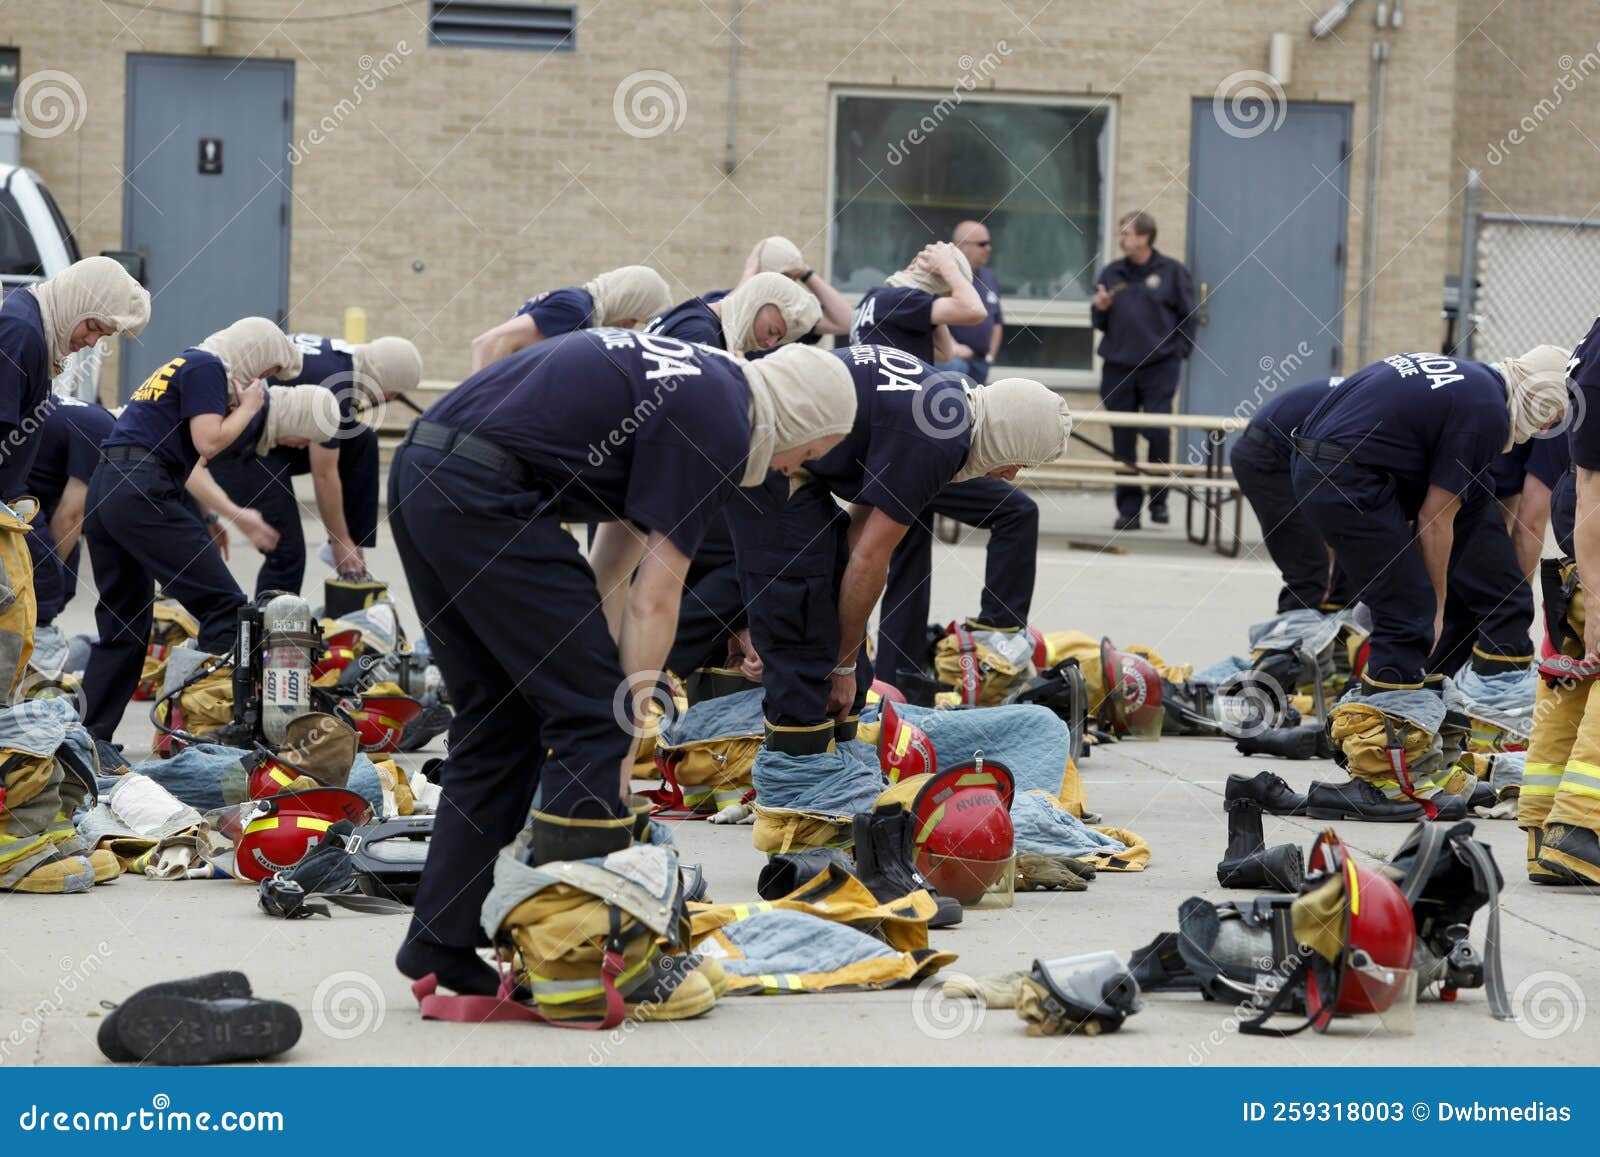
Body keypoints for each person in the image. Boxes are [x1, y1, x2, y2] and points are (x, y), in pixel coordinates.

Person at [387, 328, 855, 996]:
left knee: (500, 721)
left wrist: (594, 684)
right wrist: (619, 715)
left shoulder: (703, 384)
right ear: (803, 415)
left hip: (425, 475)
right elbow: (654, 600)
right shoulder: (723, 422)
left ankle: (438, 940)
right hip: (486, 497)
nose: (795, 470)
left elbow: (613, 561)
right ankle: (572, 953)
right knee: (593, 717)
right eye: (813, 452)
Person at [740, 350, 1070, 751]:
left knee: (839, 643)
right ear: (1008, 432)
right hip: (761, 444)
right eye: (1019, 459)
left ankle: (828, 749)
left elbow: (857, 539)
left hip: (782, 440)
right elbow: (869, 559)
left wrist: (849, 657)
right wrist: (840, 662)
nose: (1010, 475)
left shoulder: (951, 403)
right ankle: (793, 780)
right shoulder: (939, 441)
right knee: (802, 621)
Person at [1293, 347, 1567, 819]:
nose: (1547, 430)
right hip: (1345, 477)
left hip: (1344, 464)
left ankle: (1422, 742)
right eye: (1553, 414)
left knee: (1469, 590)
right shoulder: (1485, 414)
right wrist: (1434, 603)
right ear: (1539, 395)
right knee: (1410, 615)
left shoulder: (1480, 382)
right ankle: (1383, 780)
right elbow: (1435, 520)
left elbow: (1465, 505)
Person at [79, 319, 342, 740]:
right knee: (225, 609)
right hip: (143, 489)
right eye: (265, 371)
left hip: (110, 486)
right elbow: (207, 442)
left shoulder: (184, 363)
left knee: (124, 626)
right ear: (252, 355)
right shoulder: (207, 367)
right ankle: (206, 729)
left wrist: (211, 517)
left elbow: (170, 447)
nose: (261, 384)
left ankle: (90, 741)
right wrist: (251, 408)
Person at [849, 242, 1042, 695]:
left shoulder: (877, 302)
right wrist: (953, 272)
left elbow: (950, 349)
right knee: (1017, 513)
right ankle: (998, 638)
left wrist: (937, 316)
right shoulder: (903, 300)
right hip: (914, 444)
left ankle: (898, 676)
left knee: (909, 559)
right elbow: (973, 312)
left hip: (884, 445)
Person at [648, 272, 823, 687]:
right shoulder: (701, 333)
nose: (770, 343)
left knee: (740, 547)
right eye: (773, 330)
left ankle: (679, 656)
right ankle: (661, 662)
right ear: (758, 300)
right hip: (651, 492)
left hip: (652, 487)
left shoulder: (696, 321)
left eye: (780, 340)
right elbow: (696, 418)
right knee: (761, 550)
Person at [208, 332, 421, 594]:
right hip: (237, 447)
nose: (389, 398)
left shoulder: (339, 357)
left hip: (268, 424)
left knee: (361, 439)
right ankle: (273, 628)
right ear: (384, 377)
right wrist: (338, 539)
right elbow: (324, 475)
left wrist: (346, 537)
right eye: (394, 392)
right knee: (287, 550)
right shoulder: (337, 387)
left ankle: (354, 546)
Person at [1521, 324, 1600, 885]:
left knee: (1573, 682)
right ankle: (1581, 830)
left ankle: (1547, 826)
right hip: (1594, 524)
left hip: (1584, 525)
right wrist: (1597, 595)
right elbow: (1595, 481)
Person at [0, 255, 149, 500]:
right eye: (92, 326)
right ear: (75, 300)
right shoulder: (21, 334)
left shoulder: (33, 330)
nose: (91, 342)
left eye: (102, 336)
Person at [1091, 211, 1198, 531]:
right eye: (1121, 233)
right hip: (1118, 366)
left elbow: (1188, 316)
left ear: (1144, 237)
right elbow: (1098, 323)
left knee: (1157, 430)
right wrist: (1101, 309)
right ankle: (1128, 508)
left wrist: (1179, 352)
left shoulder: (1171, 272)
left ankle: (1159, 498)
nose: (1121, 239)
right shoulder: (1112, 272)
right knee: (1122, 438)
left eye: (1126, 233)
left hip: (1160, 366)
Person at [1228, 377, 1352, 614]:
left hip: (1293, 457)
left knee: (1354, 544)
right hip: (1266, 461)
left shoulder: (1371, 392)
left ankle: (1338, 623)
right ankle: (1286, 643)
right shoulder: (1373, 408)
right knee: (1309, 572)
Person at [468, 265, 671, 371]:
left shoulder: (575, 305)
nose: (628, 328)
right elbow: (489, 342)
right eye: (634, 319)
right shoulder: (575, 310)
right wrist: (481, 418)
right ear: (625, 299)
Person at [24, 397, 116, 628]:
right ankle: (32, 643)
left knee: (64, 582)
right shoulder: (103, 433)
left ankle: (36, 628)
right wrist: (51, 579)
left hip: (30, 482)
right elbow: (71, 516)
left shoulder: (97, 417)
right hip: (11, 484)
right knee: (47, 580)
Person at [1489, 434, 1569, 582]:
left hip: (1561, 418)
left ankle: (1515, 600)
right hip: (1519, 412)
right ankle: (1503, 594)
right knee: (1502, 494)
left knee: (1529, 523)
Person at [939, 220, 1003, 383]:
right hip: (953, 363)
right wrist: (953, 349)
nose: (988, 248)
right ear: (961, 246)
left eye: (989, 243)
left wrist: (990, 356)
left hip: (981, 363)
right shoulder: (944, 278)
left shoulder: (989, 277)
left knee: (976, 408)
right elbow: (935, 318)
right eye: (982, 244)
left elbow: (996, 320)